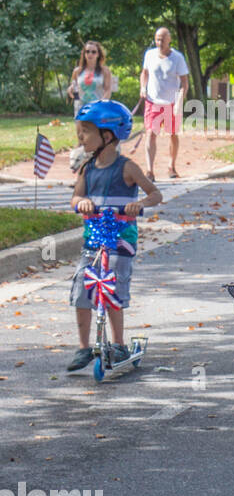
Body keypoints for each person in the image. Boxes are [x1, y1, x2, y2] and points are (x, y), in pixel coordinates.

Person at [65, 100, 163, 371]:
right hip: (93, 239)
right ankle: (84, 347)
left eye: (86, 131)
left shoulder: (127, 167)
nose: (80, 136)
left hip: (121, 239)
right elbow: (76, 196)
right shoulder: (87, 168)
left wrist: (140, 204)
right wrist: (80, 202)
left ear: (107, 136)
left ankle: (118, 343)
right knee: (83, 288)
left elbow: (155, 194)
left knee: (112, 288)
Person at [140, 27, 189, 181]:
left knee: (172, 134)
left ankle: (171, 166)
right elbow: (145, 73)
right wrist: (143, 87)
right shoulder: (150, 55)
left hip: (171, 103)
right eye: (157, 39)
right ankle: (149, 170)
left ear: (169, 39)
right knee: (150, 133)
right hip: (152, 101)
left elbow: (184, 83)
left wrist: (179, 101)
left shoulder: (178, 58)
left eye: (163, 39)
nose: (160, 42)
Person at [67, 41, 115, 112]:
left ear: (98, 54)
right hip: (80, 108)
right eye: (87, 51)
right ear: (84, 54)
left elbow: (108, 90)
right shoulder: (77, 71)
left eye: (93, 52)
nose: (90, 54)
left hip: (98, 108)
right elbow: (74, 86)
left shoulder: (105, 71)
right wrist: (70, 89)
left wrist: (100, 103)